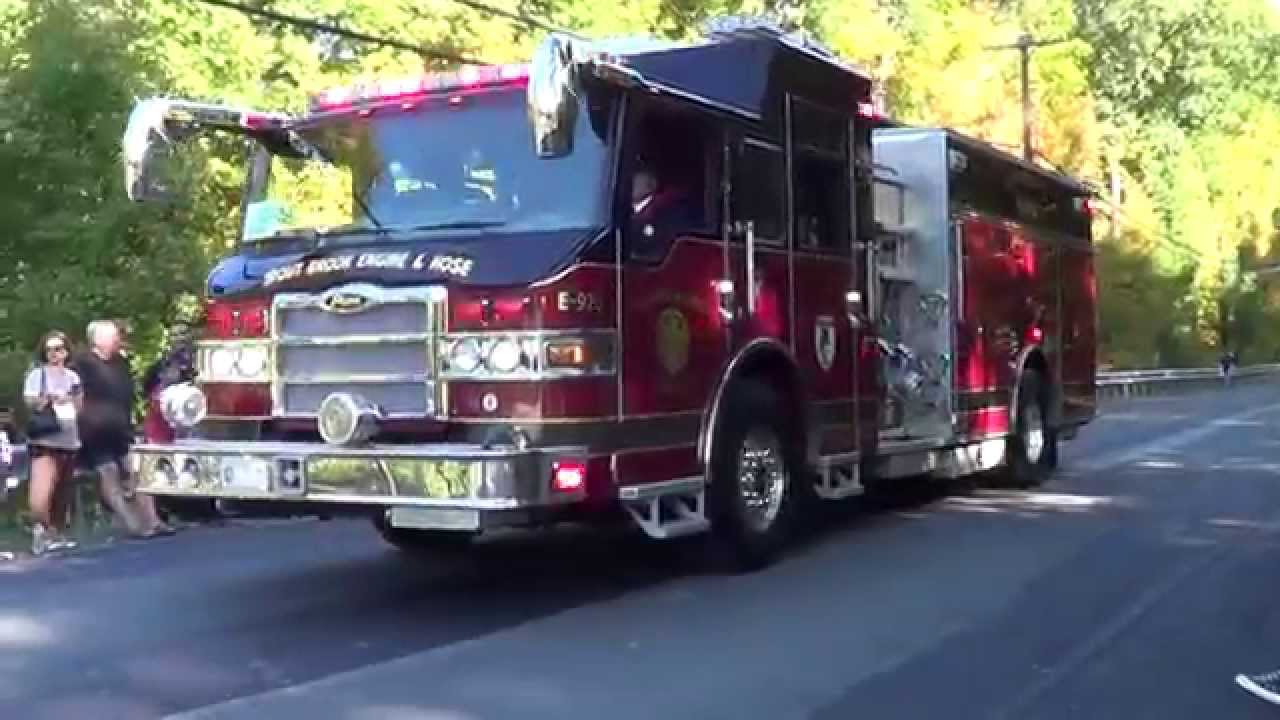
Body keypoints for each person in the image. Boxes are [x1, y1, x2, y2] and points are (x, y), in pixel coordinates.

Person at [73, 319, 172, 538]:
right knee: (109, 473)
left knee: (138, 471)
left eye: (116, 335)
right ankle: (132, 523)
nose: (117, 339)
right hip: (94, 431)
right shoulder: (82, 364)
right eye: (112, 336)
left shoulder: (120, 363)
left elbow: (128, 394)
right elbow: (73, 397)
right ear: (97, 340)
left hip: (121, 427)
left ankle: (153, 520)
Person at [22, 330, 82, 555]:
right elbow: (30, 402)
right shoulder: (38, 375)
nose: (54, 353)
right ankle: (40, 531)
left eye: (59, 348)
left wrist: (71, 399)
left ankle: (56, 534)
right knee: (41, 492)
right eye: (49, 349)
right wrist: (48, 398)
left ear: (66, 351)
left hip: (68, 436)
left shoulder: (72, 377)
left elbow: (79, 406)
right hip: (45, 438)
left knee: (63, 490)